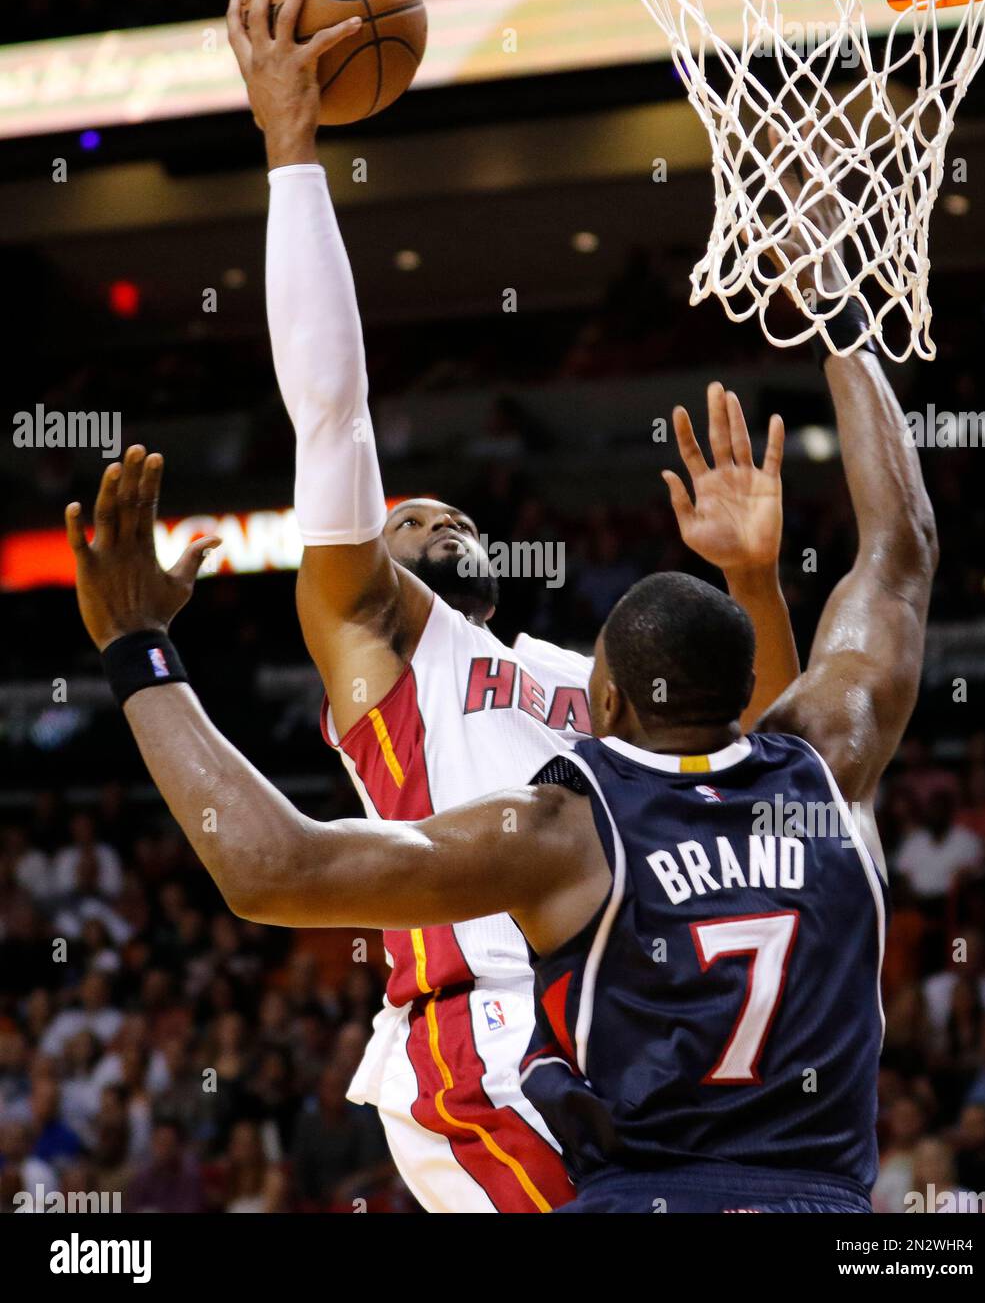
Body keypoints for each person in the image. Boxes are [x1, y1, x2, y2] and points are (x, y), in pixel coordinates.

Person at [65, 260, 935, 1207]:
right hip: (819, 1196)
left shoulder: (569, 823)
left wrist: (136, 650)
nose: (437, 519)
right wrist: (843, 323)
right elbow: (896, 558)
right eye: (408, 522)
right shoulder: (824, 771)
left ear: (602, 710)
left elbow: (272, 867)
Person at [222, 0, 799, 1212]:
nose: (441, 517)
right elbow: (332, 423)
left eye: (457, 511)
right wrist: (291, 148)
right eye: (409, 517)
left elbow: (782, 761)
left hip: (644, 1040)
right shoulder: (384, 644)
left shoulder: (580, 675)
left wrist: (752, 580)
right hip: (490, 1047)